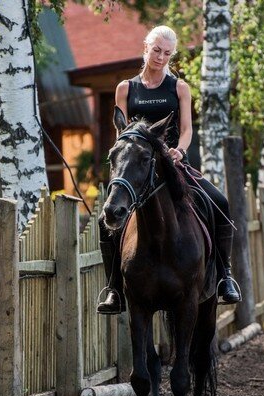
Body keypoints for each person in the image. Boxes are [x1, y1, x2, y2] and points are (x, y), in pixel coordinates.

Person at [97, 25, 241, 314]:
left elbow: (187, 130)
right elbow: (122, 134)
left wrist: (180, 150)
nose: (160, 57)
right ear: (145, 48)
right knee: (106, 220)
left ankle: (224, 276)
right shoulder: (125, 88)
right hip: (138, 169)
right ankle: (114, 287)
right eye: (156, 50)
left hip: (173, 165)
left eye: (166, 53)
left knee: (220, 202)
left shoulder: (179, 88)